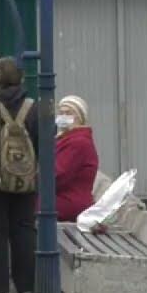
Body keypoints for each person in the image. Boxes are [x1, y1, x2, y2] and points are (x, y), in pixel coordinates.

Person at [0, 57, 39, 293]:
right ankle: (26, 285)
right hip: (26, 180)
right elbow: (42, 143)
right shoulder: (33, 107)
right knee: (24, 228)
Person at [55, 94, 99, 222]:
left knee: (25, 206)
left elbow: (59, 175)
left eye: (69, 113)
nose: (63, 117)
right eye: (61, 112)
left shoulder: (78, 142)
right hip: (68, 199)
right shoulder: (67, 139)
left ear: (80, 117)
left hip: (69, 203)